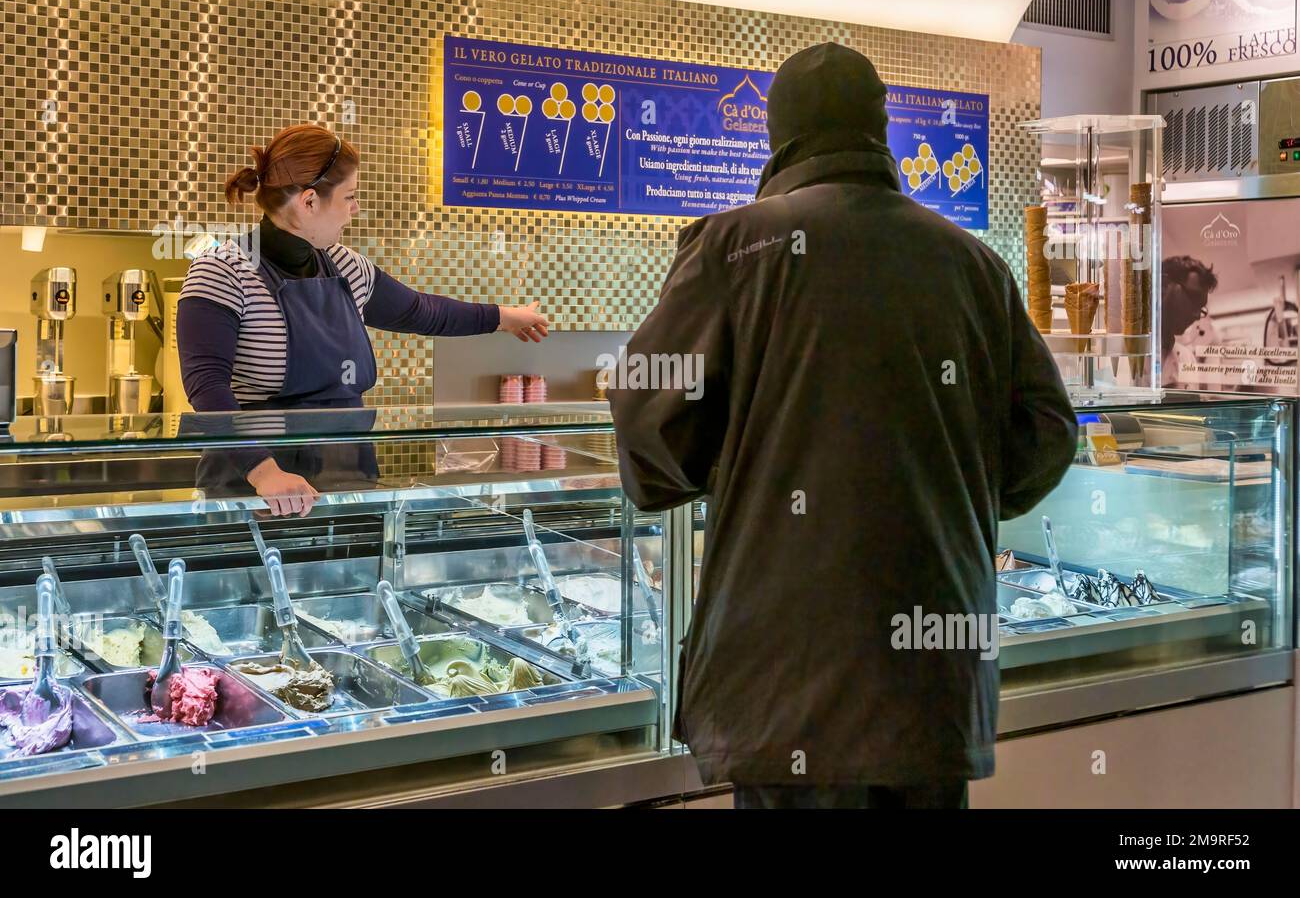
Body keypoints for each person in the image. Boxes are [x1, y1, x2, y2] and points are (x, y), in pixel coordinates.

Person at [608, 43, 1077, 809]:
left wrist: (724, 457)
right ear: (879, 129)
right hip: (933, 678)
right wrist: (949, 489)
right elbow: (1048, 431)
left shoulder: (729, 248)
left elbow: (650, 424)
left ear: (778, 135)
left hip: (787, 678)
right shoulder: (972, 263)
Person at [178, 124, 550, 516]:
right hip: (255, 488)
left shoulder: (345, 265)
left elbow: (419, 311)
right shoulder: (223, 270)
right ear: (308, 203)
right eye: (350, 197)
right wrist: (264, 472)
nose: (355, 209)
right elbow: (206, 385)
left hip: (344, 479)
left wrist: (503, 317)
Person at [1160, 255, 1219, 386]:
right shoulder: (1123, 351)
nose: (1197, 315)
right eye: (1194, 300)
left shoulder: (1187, 359)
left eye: (1201, 308)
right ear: (1164, 286)